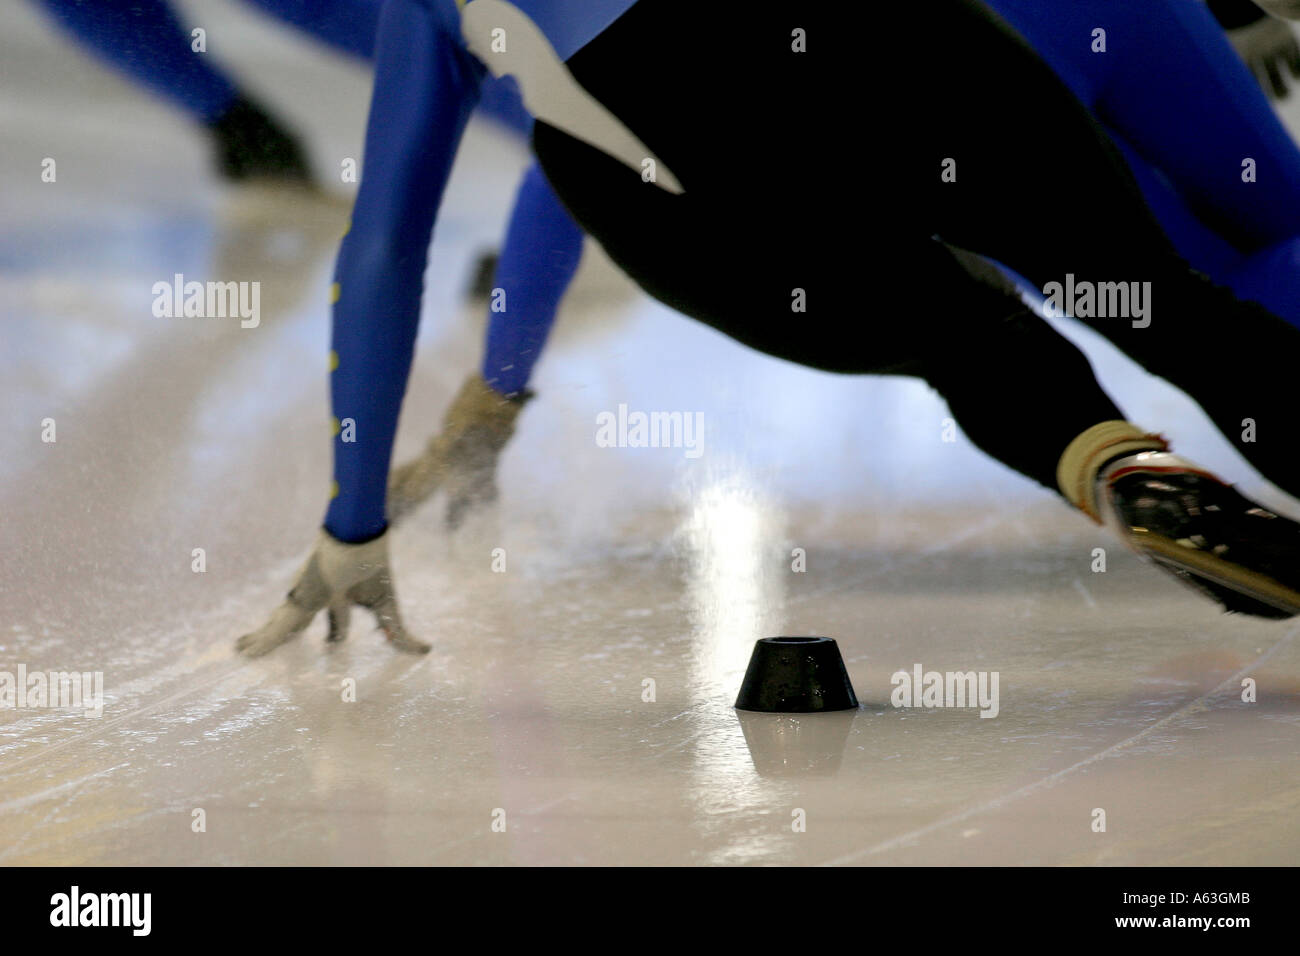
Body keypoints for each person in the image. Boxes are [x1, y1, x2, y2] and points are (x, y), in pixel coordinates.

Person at [238, 0, 1300, 658]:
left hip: (663, 152)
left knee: (962, 336)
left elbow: (384, 253)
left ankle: (1115, 470)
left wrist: (354, 519)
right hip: (883, 36)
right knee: (1158, 297)